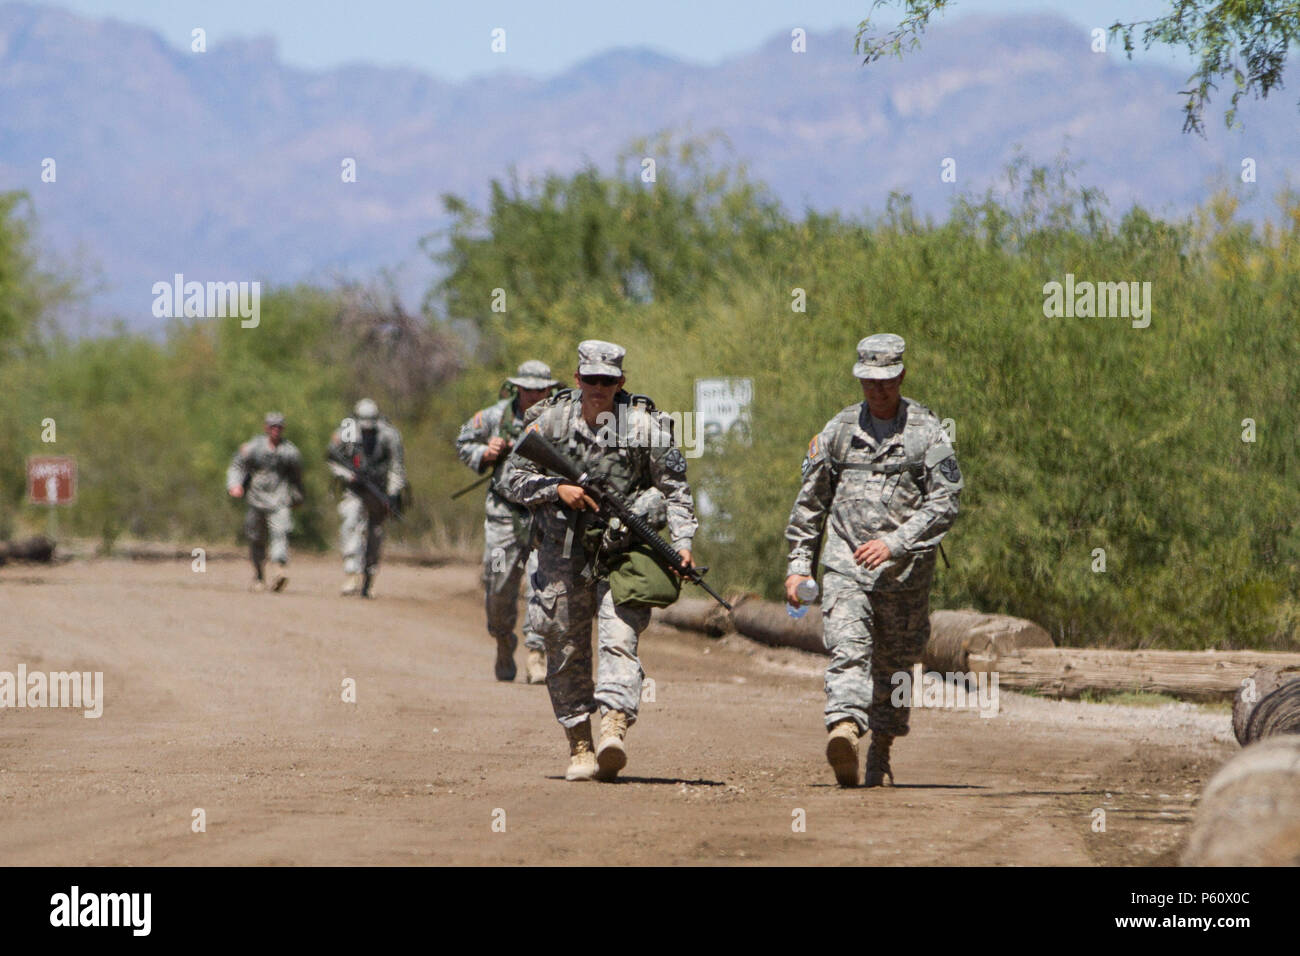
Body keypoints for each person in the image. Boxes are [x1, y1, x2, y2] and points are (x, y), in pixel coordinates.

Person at [502, 340, 697, 782]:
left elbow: (676, 493)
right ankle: (580, 744)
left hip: (622, 551)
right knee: (561, 643)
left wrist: (683, 544)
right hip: (560, 552)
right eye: (590, 380)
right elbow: (512, 480)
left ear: (620, 382)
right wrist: (558, 491)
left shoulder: (645, 427)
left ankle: (613, 724)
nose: (598, 389)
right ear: (577, 379)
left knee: (619, 638)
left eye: (607, 381)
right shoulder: (549, 421)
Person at [783, 334, 963, 787]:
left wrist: (896, 543)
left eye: (885, 381)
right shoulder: (838, 431)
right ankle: (844, 726)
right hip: (846, 563)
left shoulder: (927, 431)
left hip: (905, 575)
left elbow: (946, 501)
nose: (877, 390)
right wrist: (799, 564)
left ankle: (881, 748)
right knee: (849, 648)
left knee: (896, 667)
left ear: (900, 375)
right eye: (868, 381)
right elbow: (810, 504)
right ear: (859, 378)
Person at [456, 360, 558, 683]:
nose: (534, 396)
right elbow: (463, 441)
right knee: (498, 584)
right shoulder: (494, 416)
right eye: (528, 390)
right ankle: (503, 640)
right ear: (518, 388)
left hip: (547, 511)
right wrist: (486, 452)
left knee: (545, 585)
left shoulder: (561, 418)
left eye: (540, 390)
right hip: (504, 513)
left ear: (549, 390)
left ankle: (536, 652)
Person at [327, 398, 406, 598]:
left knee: (375, 534)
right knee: (351, 523)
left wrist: (393, 494)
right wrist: (348, 475)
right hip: (354, 489)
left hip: (379, 492)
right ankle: (351, 572)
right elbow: (333, 458)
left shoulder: (389, 434)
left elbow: (397, 467)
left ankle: (368, 579)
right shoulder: (347, 431)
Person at [226, 412, 304, 593]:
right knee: (255, 538)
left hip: (280, 499)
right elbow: (237, 466)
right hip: (256, 499)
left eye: (279, 427)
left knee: (280, 533)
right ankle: (259, 576)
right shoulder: (253, 447)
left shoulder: (290, 452)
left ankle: (279, 570)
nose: (275, 430)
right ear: (266, 428)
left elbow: (297, 478)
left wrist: (298, 497)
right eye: (272, 426)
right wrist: (235, 485)